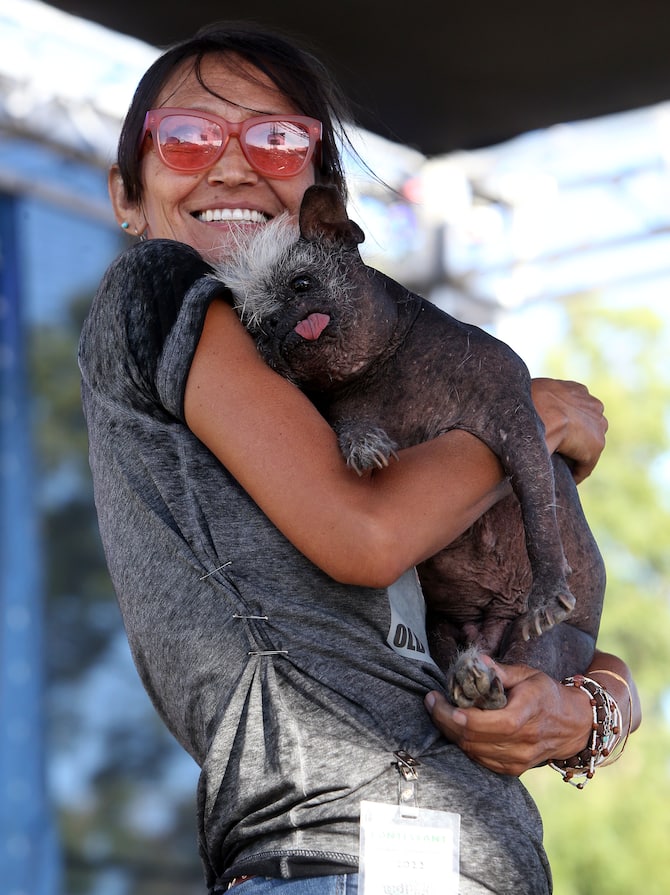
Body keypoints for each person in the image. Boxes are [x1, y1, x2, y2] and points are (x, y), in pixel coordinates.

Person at [79, 22, 641, 895]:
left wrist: (582, 711)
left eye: (276, 138)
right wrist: (528, 414)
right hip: (337, 853)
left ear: (321, 196)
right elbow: (365, 532)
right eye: (187, 137)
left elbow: (551, 623)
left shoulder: (336, 367)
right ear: (127, 192)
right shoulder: (156, 287)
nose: (231, 165)